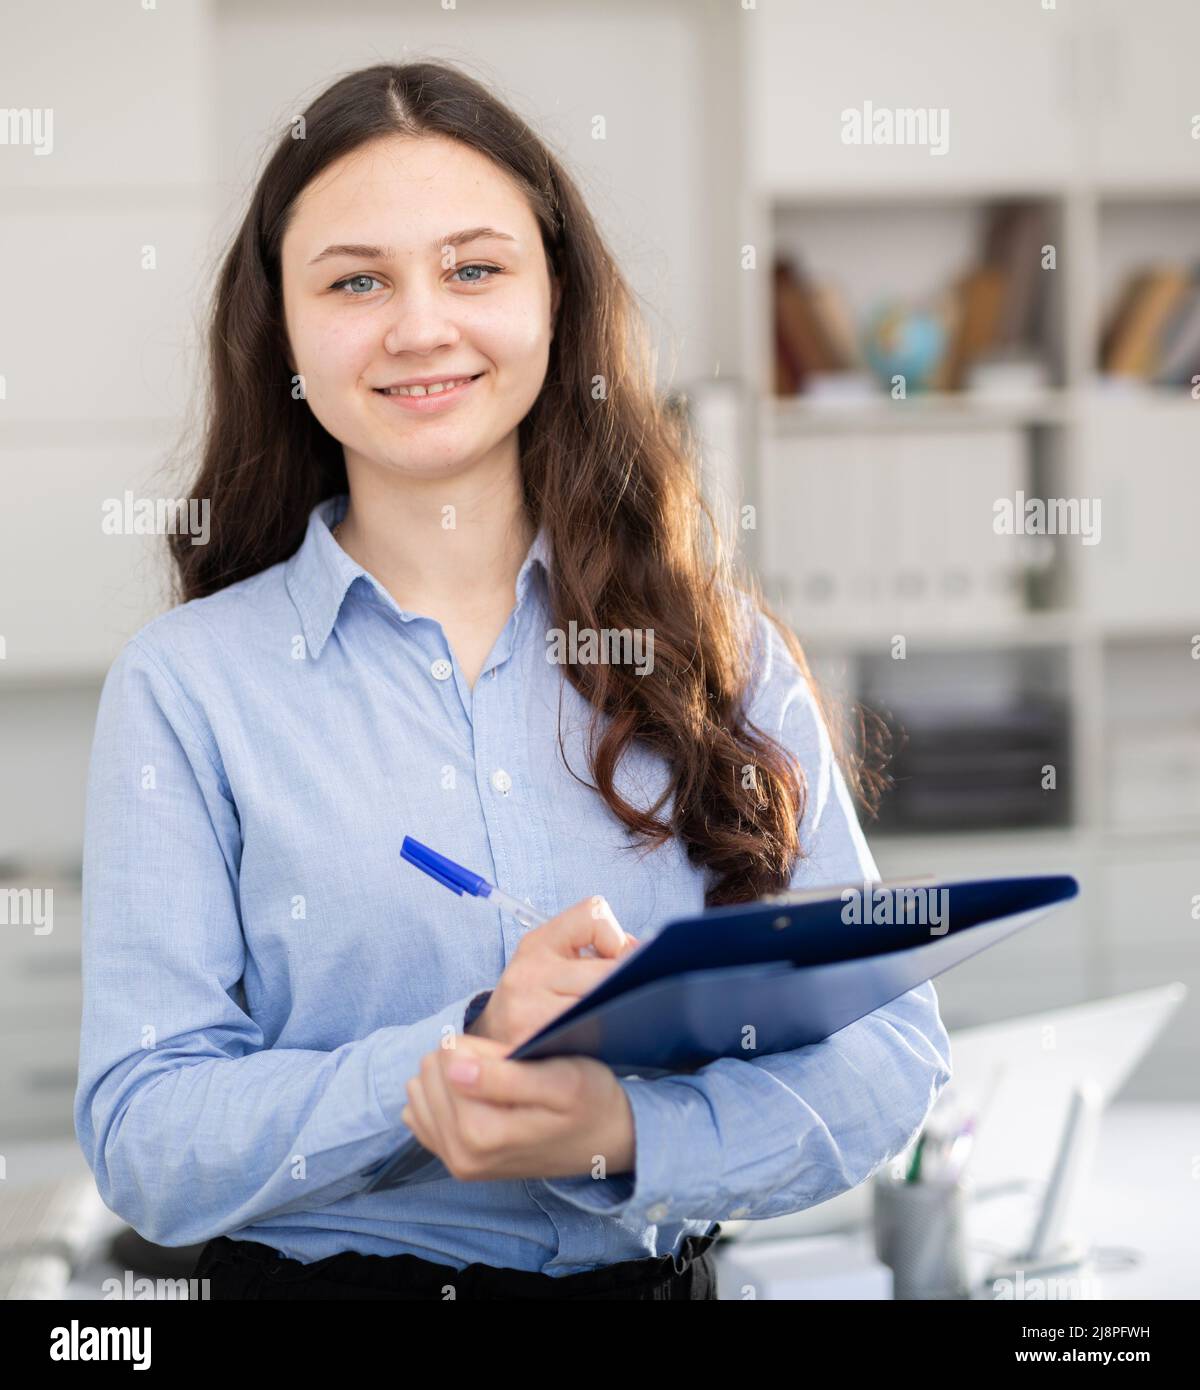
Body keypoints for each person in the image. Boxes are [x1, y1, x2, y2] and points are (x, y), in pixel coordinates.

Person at [73, 60, 951, 1301]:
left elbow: (887, 1054)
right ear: (283, 328)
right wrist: (457, 1050)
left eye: (474, 268)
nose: (419, 325)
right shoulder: (189, 687)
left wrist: (617, 1135)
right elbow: (145, 1140)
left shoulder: (718, 648)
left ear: (555, 302)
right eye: (356, 280)